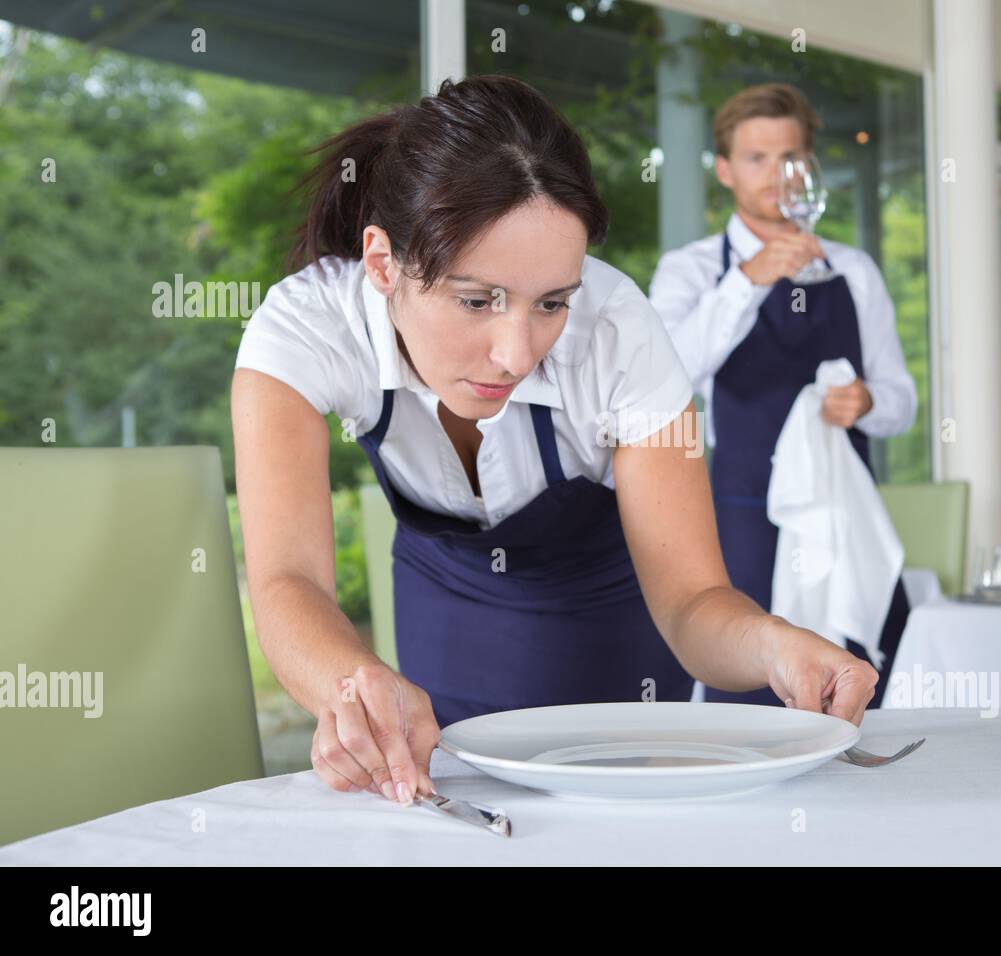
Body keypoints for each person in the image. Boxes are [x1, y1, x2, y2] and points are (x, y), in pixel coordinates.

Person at [231, 75, 879, 807]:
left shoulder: (618, 331)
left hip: (615, 626)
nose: (517, 352)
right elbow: (288, 581)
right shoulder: (307, 327)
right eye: (478, 301)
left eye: (552, 303)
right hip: (443, 606)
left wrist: (772, 644)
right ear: (383, 263)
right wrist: (350, 684)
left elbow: (694, 600)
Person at [649, 83, 917, 709]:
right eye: (756, 159)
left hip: (846, 515)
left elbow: (901, 399)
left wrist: (869, 402)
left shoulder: (854, 270)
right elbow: (670, 373)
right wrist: (749, 279)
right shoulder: (690, 270)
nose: (776, 176)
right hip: (742, 520)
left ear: (811, 166)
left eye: (789, 158)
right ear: (724, 169)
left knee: (869, 685)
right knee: (747, 698)